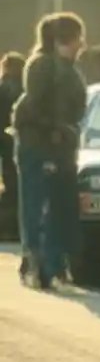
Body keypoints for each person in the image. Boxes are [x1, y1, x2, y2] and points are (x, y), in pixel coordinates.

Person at [13, 13, 88, 289]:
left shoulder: (66, 67)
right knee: (41, 206)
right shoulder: (44, 66)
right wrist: (57, 129)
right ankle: (40, 263)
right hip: (42, 146)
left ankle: (51, 264)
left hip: (60, 146)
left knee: (60, 206)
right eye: (78, 37)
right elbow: (37, 105)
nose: (83, 43)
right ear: (62, 40)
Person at [0, 52, 26, 240]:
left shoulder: (3, 88)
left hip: (5, 142)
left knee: (9, 183)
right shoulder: (26, 88)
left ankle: (8, 228)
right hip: (24, 141)